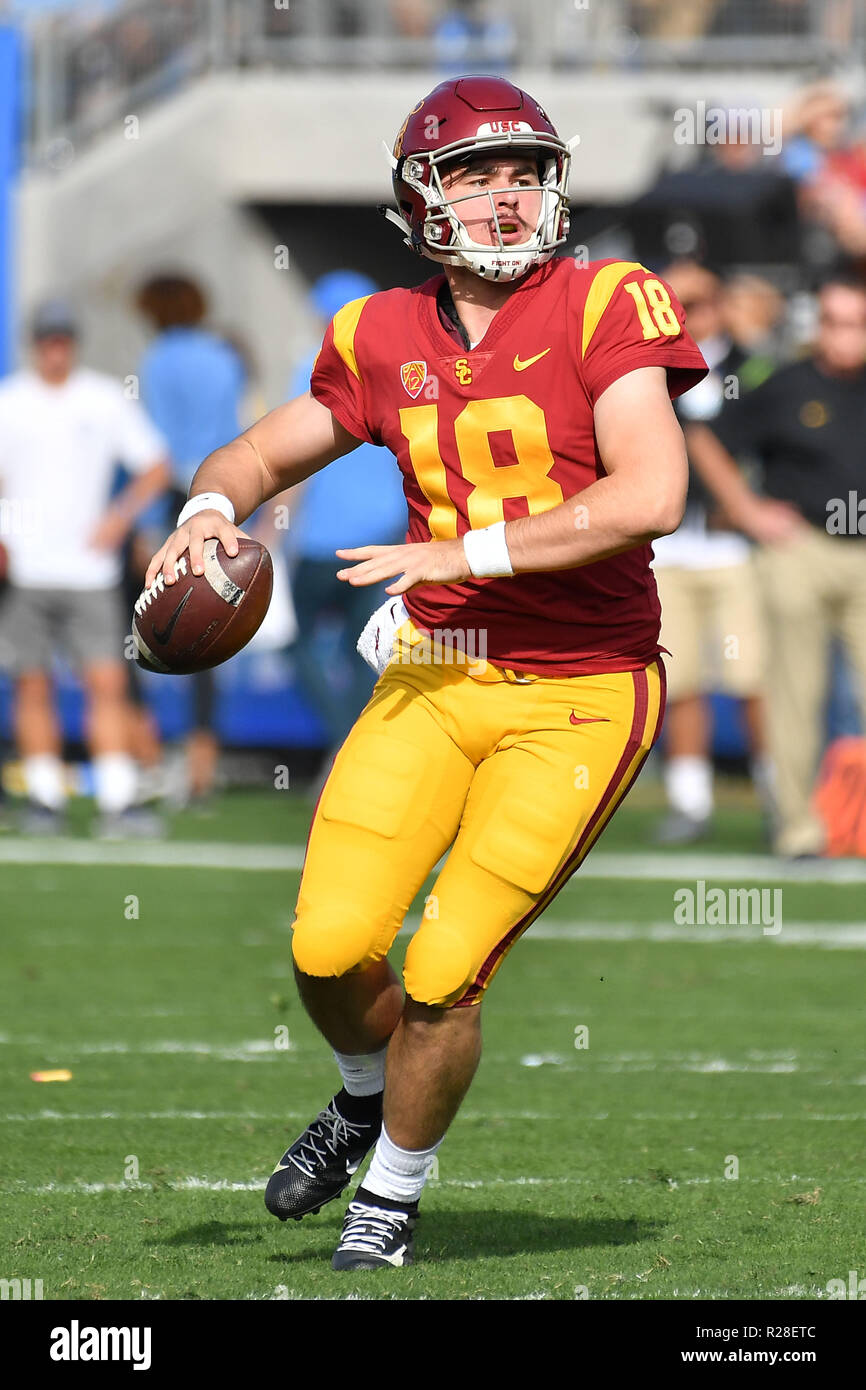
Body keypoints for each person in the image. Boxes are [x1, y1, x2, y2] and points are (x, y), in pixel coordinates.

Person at [145, 75, 707, 1270]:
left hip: (580, 685)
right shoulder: (376, 332)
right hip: (435, 671)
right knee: (325, 943)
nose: (504, 198)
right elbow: (256, 451)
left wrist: (462, 548)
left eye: (522, 172)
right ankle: (362, 1093)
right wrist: (204, 508)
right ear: (419, 198)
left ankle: (390, 1195)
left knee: (446, 967)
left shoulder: (608, 298)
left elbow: (648, 492)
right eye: (472, 174)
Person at [688, 272, 866, 858]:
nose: (844, 337)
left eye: (856, 324)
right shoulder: (783, 383)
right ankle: (798, 830)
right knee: (794, 694)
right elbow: (706, 439)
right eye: (834, 322)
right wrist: (747, 508)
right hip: (801, 550)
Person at [0, 299, 169, 835]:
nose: (56, 349)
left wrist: (117, 520)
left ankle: (117, 800)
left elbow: (155, 465)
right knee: (32, 683)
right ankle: (44, 797)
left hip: (89, 571)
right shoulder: (12, 402)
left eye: (63, 339)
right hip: (26, 569)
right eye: (48, 340)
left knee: (105, 682)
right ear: (36, 344)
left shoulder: (102, 399)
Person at [650, 262, 775, 844]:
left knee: (753, 676)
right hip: (670, 546)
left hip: (732, 547)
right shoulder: (650, 370)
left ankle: (779, 791)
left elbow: (783, 446)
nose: (689, 316)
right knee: (683, 681)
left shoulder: (754, 369)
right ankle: (690, 801)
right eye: (680, 305)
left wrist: (753, 500)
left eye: (698, 304)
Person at [285, 271, 407, 786]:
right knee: (369, 650)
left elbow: (292, 462)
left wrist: (273, 526)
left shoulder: (312, 371)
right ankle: (353, 746)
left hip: (321, 541)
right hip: (384, 538)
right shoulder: (402, 371)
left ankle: (343, 741)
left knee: (299, 646)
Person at [135, 273, 247, 802]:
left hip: (172, 502)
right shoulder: (224, 356)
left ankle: (150, 757)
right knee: (209, 633)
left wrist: (143, 529)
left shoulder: (160, 359)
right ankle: (202, 765)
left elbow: (154, 450)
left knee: (143, 631)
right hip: (219, 500)